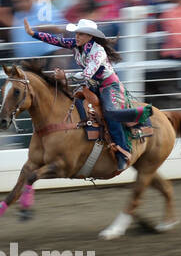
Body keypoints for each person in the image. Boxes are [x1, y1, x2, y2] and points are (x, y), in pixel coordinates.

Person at [24, 17, 150, 172]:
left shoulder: (98, 52)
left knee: (110, 112)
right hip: (91, 85)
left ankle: (123, 152)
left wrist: (66, 76)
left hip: (108, 85)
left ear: (90, 36)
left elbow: (87, 73)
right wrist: (33, 34)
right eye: (77, 33)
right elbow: (56, 40)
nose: (77, 36)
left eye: (81, 34)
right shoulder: (77, 44)